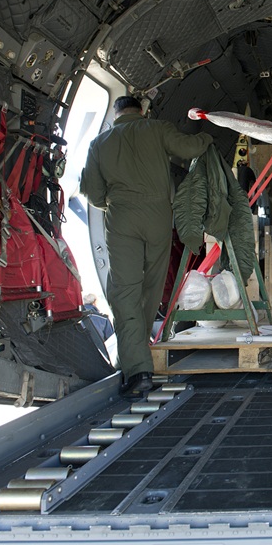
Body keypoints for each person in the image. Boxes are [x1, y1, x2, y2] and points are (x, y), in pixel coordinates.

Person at [81, 96, 213, 398]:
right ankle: (135, 352)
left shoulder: (99, 144)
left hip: (122, 219)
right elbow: (190, 148)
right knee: (153, 287)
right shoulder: (157, 128)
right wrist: (208, 135)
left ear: (116, 114)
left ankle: (137, 366)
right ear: (142, 111)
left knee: (125, 291)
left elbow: (92, 192)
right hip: (158, 218)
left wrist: (115, 203)